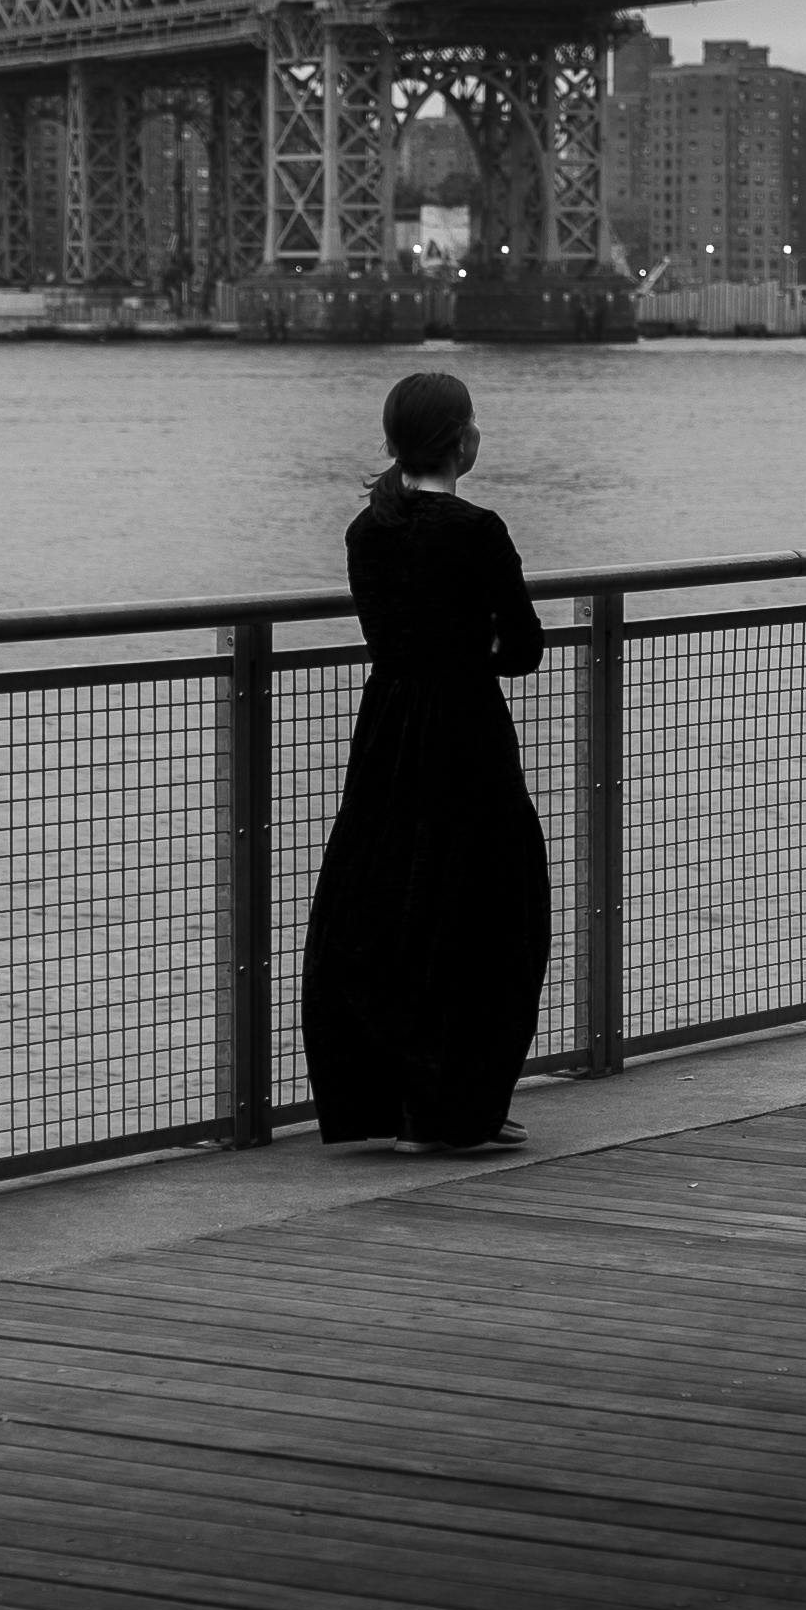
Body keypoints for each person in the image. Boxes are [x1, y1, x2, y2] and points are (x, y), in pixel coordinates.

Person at [301, 371, 550, 1155]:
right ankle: (455, 1105)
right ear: (459, 439)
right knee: (491, 912)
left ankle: (396, 1100)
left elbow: (392, 633)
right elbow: (525, 648)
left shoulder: (364, 530)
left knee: (387, 907)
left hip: (386, 735)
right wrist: (474, 644)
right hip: (466, 737)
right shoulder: (477, 529)